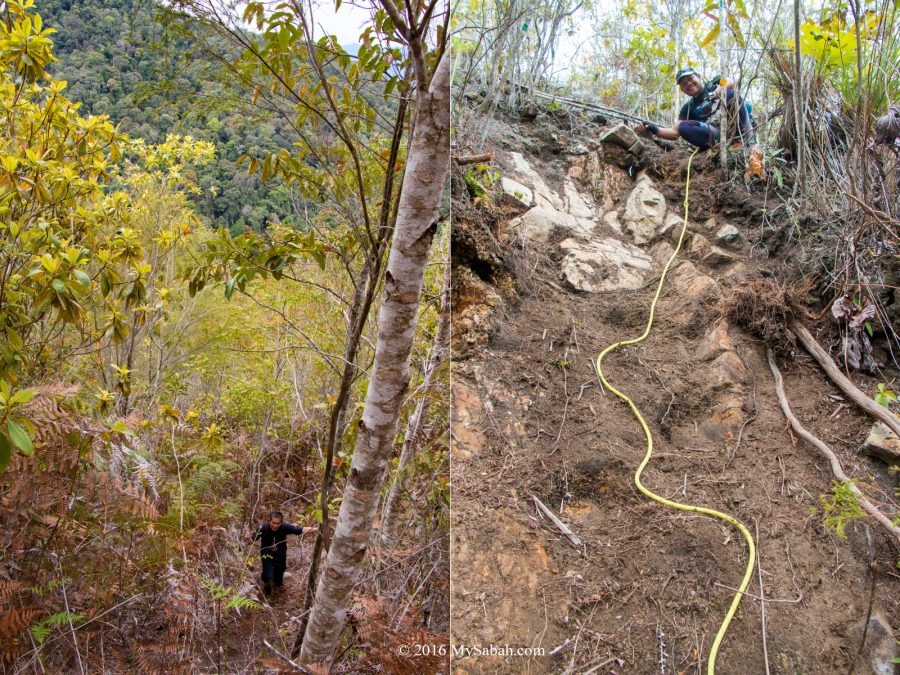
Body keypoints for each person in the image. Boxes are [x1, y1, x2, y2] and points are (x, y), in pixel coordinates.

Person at [636, 67, 755, 150]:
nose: (688, 84)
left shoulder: (715, 82)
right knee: (683, 126)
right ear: (682, 89)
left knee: (730, 93)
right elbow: (675, 132)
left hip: (736, 124)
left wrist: (719, 90)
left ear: (698, 76)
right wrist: (653, 128)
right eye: (683, 83)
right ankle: (720, 146)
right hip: (715, 133)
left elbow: (730, 81)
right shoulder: (688, 108)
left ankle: (745, 140)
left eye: (690, 79)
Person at [244, 511, 318, 596]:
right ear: (269, 521)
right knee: (268, 575)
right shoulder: (263, 528)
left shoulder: (284, 527)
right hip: (267, 555)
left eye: (278, 523)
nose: (275, 525)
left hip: (280, 554)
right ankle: (266, 587)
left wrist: (317, 529)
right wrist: (248, 538)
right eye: (273, 523)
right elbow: (252, 541)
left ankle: (278, 585)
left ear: (281, 523)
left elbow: (300, 530)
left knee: (280, 571)